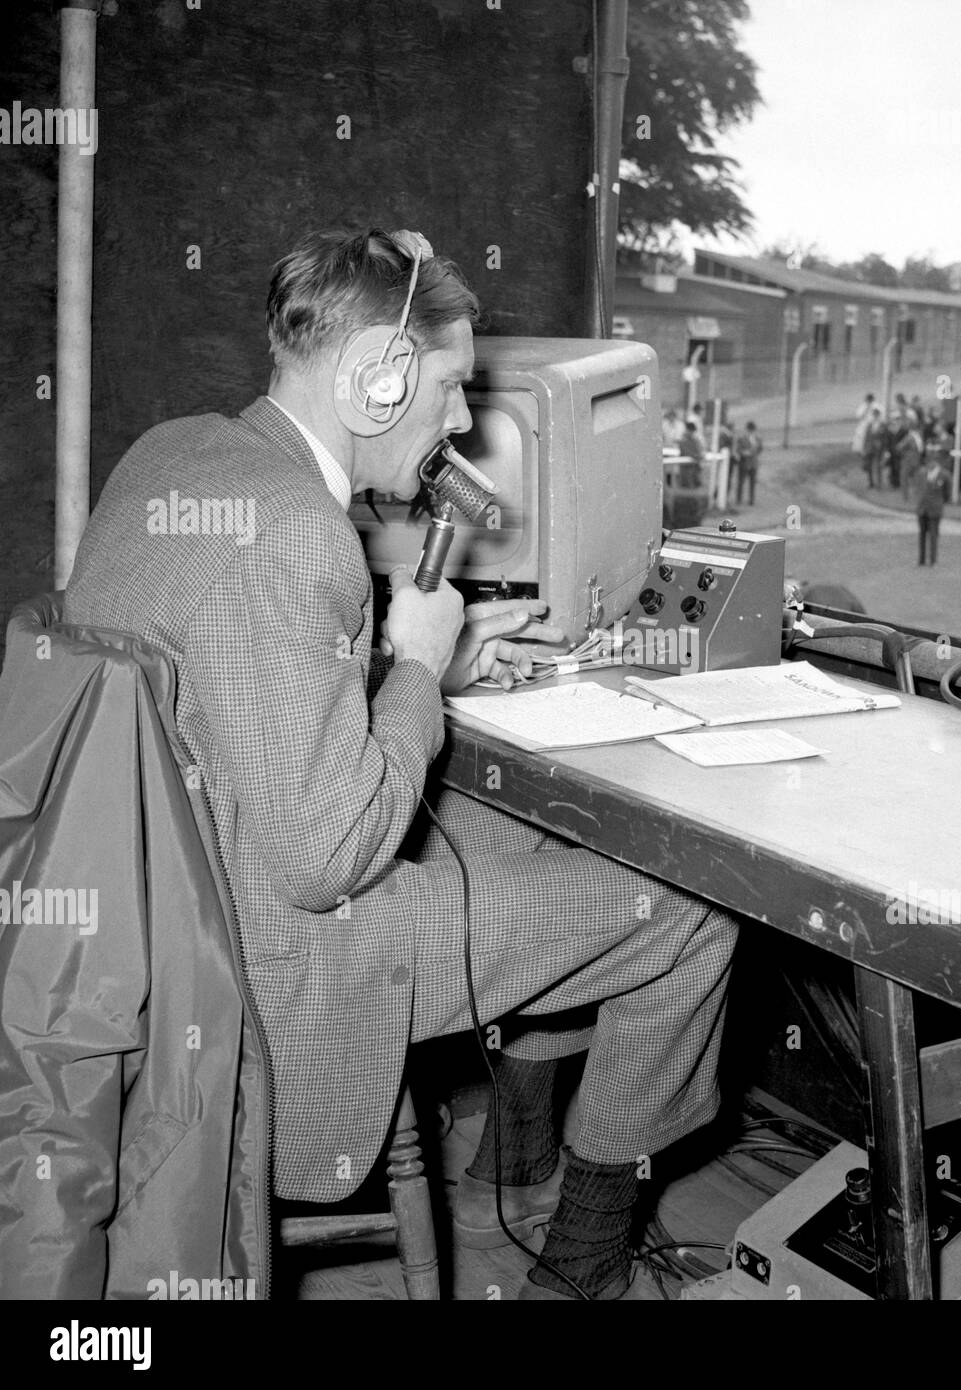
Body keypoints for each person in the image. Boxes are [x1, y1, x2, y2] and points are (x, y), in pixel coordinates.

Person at [62, 227, 738, 1301]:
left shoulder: (174, 453)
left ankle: (512, 1156)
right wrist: (418, 668)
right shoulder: (296, 531)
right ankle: (585, 1261)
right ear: (377, 375)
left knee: (527, 830)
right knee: (696, 913)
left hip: (161, 915)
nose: (463, 420)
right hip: (280, 962)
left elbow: (243, 679)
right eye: (454, 386)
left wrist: (425, 659)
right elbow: (325, 857)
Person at [914, 445, 950, 565]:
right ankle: (921, 559)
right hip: (922, 508)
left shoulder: (944, 475)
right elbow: (918, 488)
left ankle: (933, 560)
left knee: (933, 534)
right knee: (922, 534)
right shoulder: (922, 473)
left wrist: (939, 503)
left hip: (935, 509)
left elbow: (947, 494)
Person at [732, 419, 763, 506]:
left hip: (753, 462)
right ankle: (739, 499)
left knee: (752, 482)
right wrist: (743, 452)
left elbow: (760, 449)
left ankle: (751, 499)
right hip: (744, 462)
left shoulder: (758, 438)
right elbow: (738, 449)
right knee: (741, 481)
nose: (751, 431)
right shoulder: (742, 438)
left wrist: (755, 454)